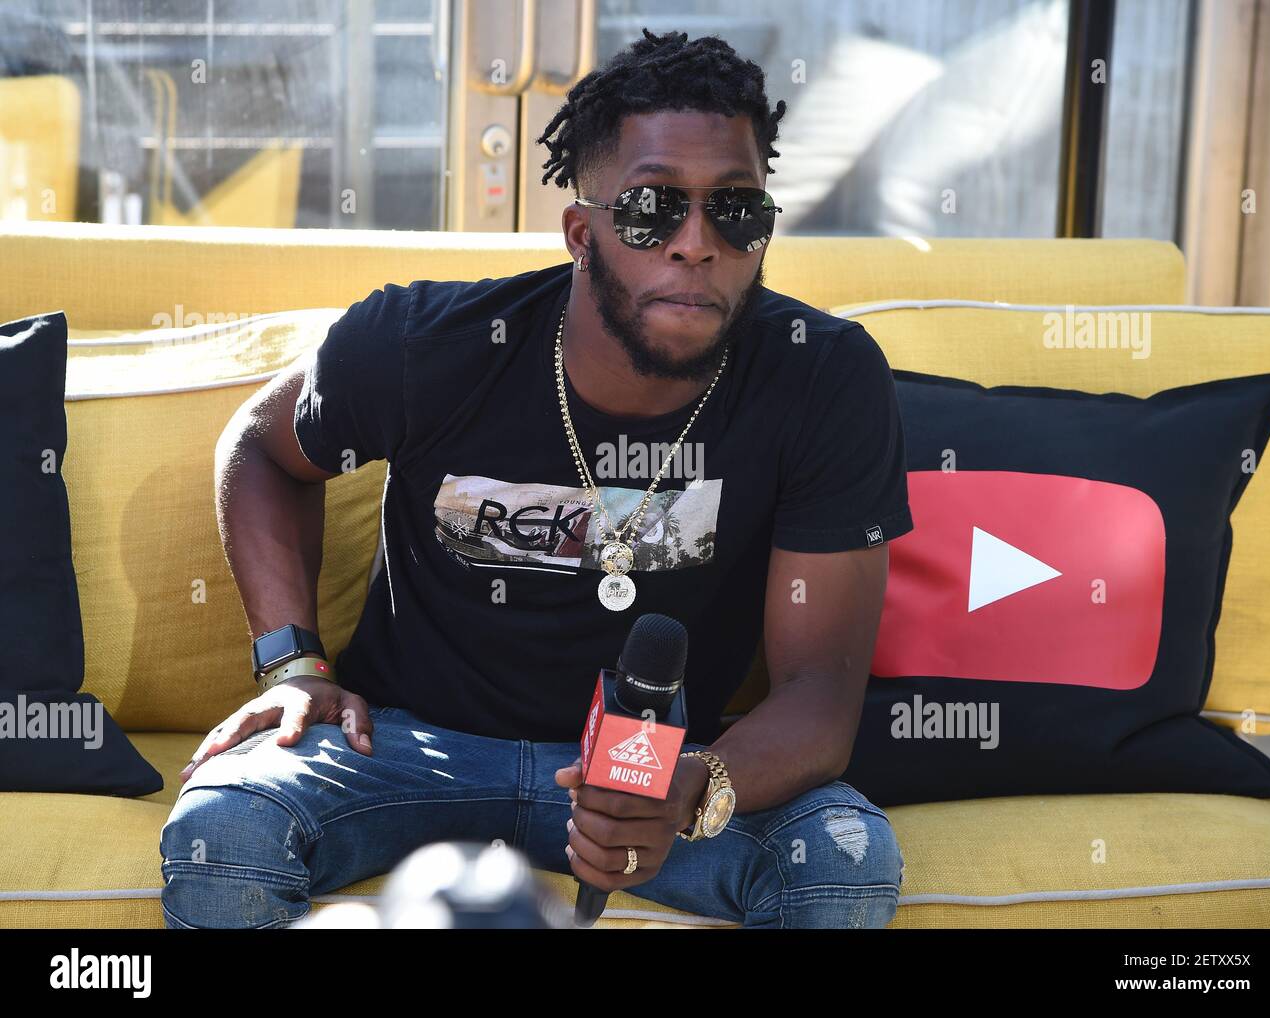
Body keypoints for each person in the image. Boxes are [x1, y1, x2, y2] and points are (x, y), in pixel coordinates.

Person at [159, 27, 912, 929]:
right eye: (652, 208)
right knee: (224, 828)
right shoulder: (424, 346)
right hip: (407, 744)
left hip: (648, 765)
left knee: (843, 861)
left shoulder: (821, 376)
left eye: (737, 210)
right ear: (580, 232)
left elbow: (820, 698)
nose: (696, 244)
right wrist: (292, 663)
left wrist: (691, 787)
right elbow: (262, 447)